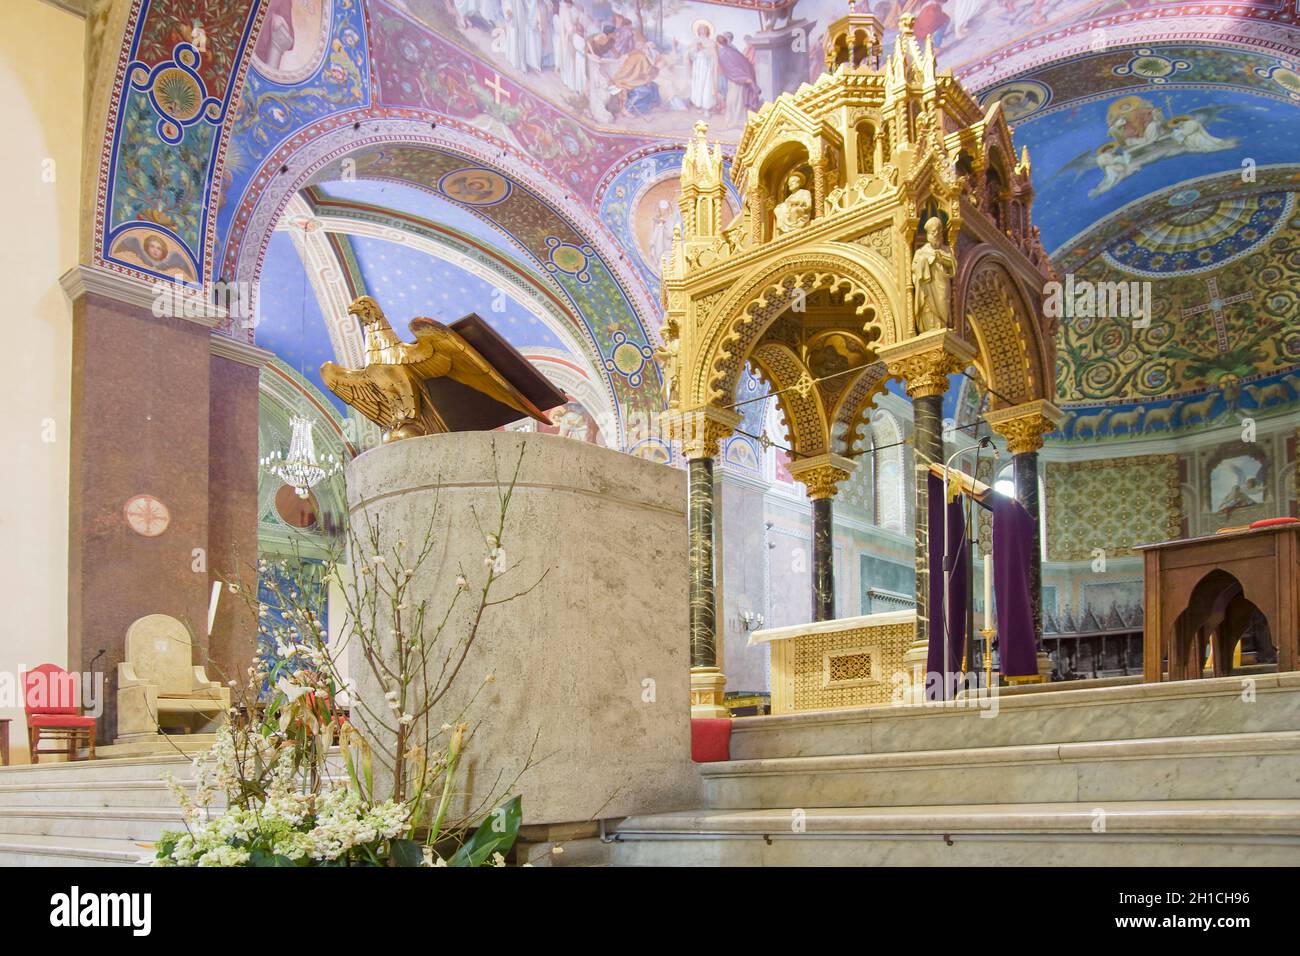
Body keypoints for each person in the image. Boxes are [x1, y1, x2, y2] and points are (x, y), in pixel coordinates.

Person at [911, 216, 955, 332]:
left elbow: (953, 265)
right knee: (928, 305)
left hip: (941, 284)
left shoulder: (946, 250)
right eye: (933, 232)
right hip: (927, 286)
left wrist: (941, 259)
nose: (936, 234)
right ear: (928, 234)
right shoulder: (921, 252)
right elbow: (914, 269)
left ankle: (943, 324)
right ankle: (930, 327)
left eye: (938, 232)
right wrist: (924, 262)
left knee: (943, 303)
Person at [716, 32, 761, 124]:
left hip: (736, 79)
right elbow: (741, 63)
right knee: (737, 100)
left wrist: (741, 77)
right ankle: (736, 121)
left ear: (718, 43)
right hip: (737, 79)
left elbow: (732, 67)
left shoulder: (724, 52)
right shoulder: (731, 50)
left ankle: (734, 122)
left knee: (735, 100)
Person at [688, 20, 718, 114]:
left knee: (707, 86)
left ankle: (706, 108)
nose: (703, 31)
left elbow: (713, 55)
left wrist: (703, 49)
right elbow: (690, 55)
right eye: (701, 29)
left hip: (707, 66)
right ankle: (699, 106)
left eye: (704, 29)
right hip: (697, 66)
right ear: (698, 31)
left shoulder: (711, 42)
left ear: (708, 31)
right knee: (698, 85)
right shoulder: (695, 41)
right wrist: (696, 50)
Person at [772, 171, 812, 236]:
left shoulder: (804, 192)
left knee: (794, 210)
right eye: (789, 183)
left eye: (792, 182)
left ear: (798, 183)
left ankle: (795, 226)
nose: (790, 184)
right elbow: (786, 205)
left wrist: (797, 202)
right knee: (778, 209)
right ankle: (785, 229)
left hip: (801, 211)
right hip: (789, 213)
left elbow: (809, 205)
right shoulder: (789, 197)